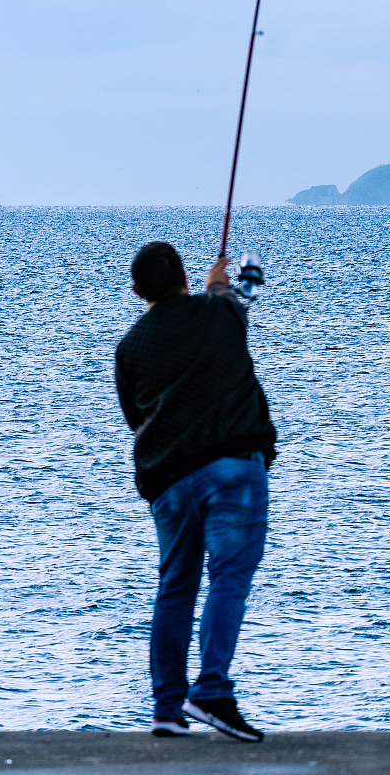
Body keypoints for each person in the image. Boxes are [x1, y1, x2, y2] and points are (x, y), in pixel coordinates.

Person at [115, 241, 277, 742]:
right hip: (232, 467)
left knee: (175, 588)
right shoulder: (217, 311)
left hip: (169, 481)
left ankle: (166, 707)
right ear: (184, 278)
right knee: (228, 578)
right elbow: (239, 294)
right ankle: (211, 691)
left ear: (137, 291)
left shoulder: (130, 348)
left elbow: (135, 420)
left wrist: (217, 283)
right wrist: (227, 275)